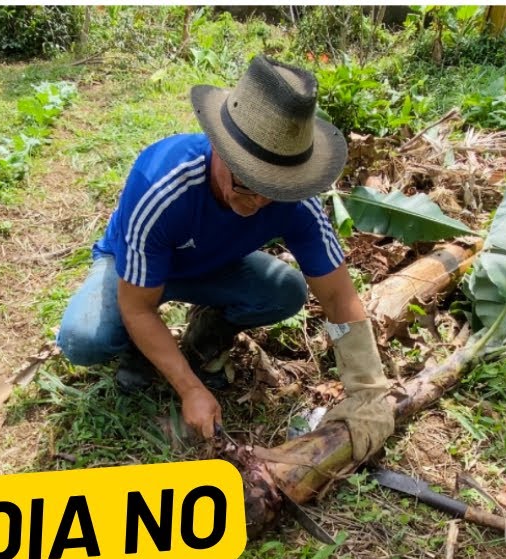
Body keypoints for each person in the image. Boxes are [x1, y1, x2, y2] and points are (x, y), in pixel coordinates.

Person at [56, 55, 393, 460]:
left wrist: (367, 390)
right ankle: (139, 350)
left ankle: (207, 331)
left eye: (274, 188)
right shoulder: (162, 186)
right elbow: (138, 306)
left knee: (286, 291)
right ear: (220, 148)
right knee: (84, 339)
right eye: (247, 185)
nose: (259, 202)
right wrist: (190, 389)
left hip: (210, 266)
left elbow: (339, 296)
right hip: (133, 271)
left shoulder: (296, 201)